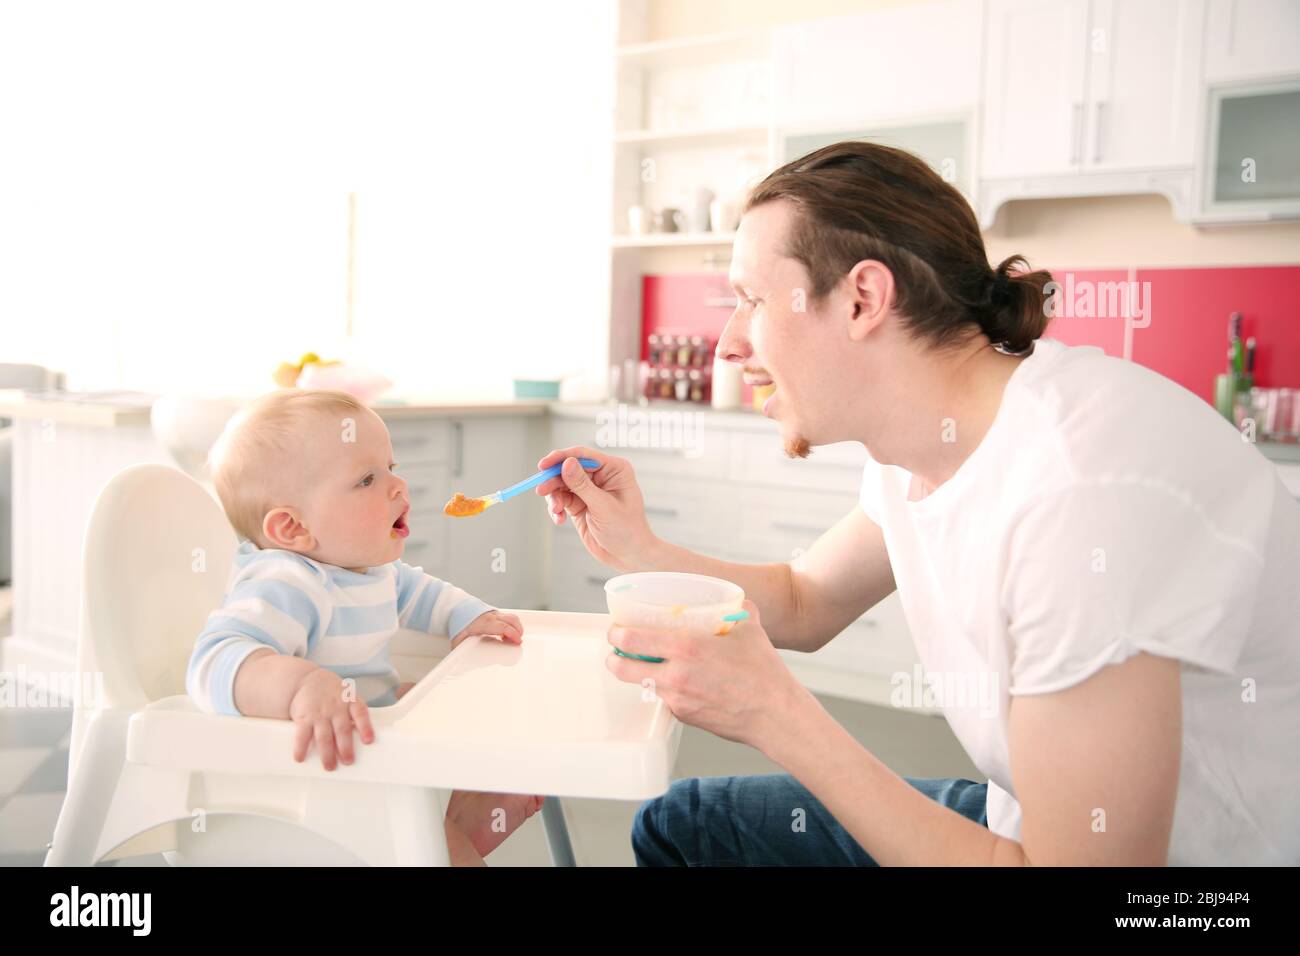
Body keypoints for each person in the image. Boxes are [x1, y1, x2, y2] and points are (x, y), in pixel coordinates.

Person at [535, 141, 1300, 866]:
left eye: (751, 301)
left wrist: (775, 714)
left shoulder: (1080, 495)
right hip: (1024, 818)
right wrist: (642, 551)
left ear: (864, 297)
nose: (728, 345)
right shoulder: (930, 444)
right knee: (686, 829)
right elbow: (807, 601)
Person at [188, 387, 541, 866]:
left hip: (369, 731)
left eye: (391, 469)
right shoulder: (286, 581)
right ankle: (455, 844)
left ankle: (462, 822)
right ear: (292, 529)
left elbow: (421, 593)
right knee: (445, 855)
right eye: (367, 479)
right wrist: (302, 687)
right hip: (317, 771)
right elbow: (211, 662)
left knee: (473, 709)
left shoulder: (364, 569)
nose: (398, 487)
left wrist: (469, 616)